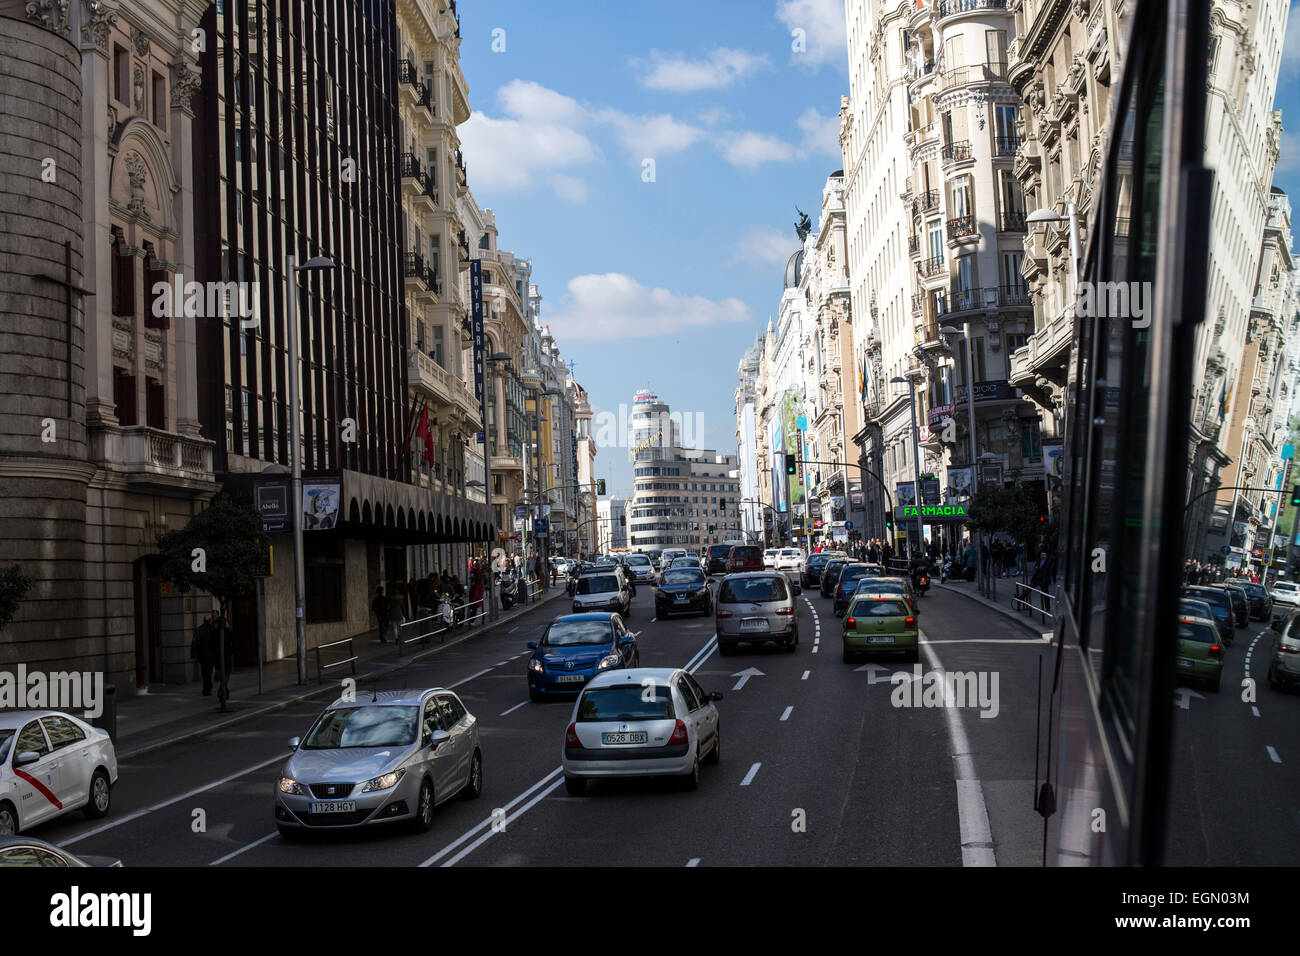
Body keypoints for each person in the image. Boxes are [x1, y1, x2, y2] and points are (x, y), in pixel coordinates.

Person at [210, 613, 236, 702]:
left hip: (218, 658)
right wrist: (231, 651)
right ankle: (223, 691)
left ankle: (223, 691)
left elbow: (211, 645)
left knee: (221, 674)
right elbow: (235, 643)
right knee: (226, 676)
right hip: (225, 657)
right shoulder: (228, 632)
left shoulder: (215, 632)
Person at [191, 611, 215, 695]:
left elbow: (194, 642)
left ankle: (206, 687)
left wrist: (193, 654)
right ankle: (207, 688)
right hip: (210, 654)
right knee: (209, 672)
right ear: (210, 620)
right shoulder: (213, 629)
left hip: (201, 654)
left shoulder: (198, 629)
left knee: (204, 672)